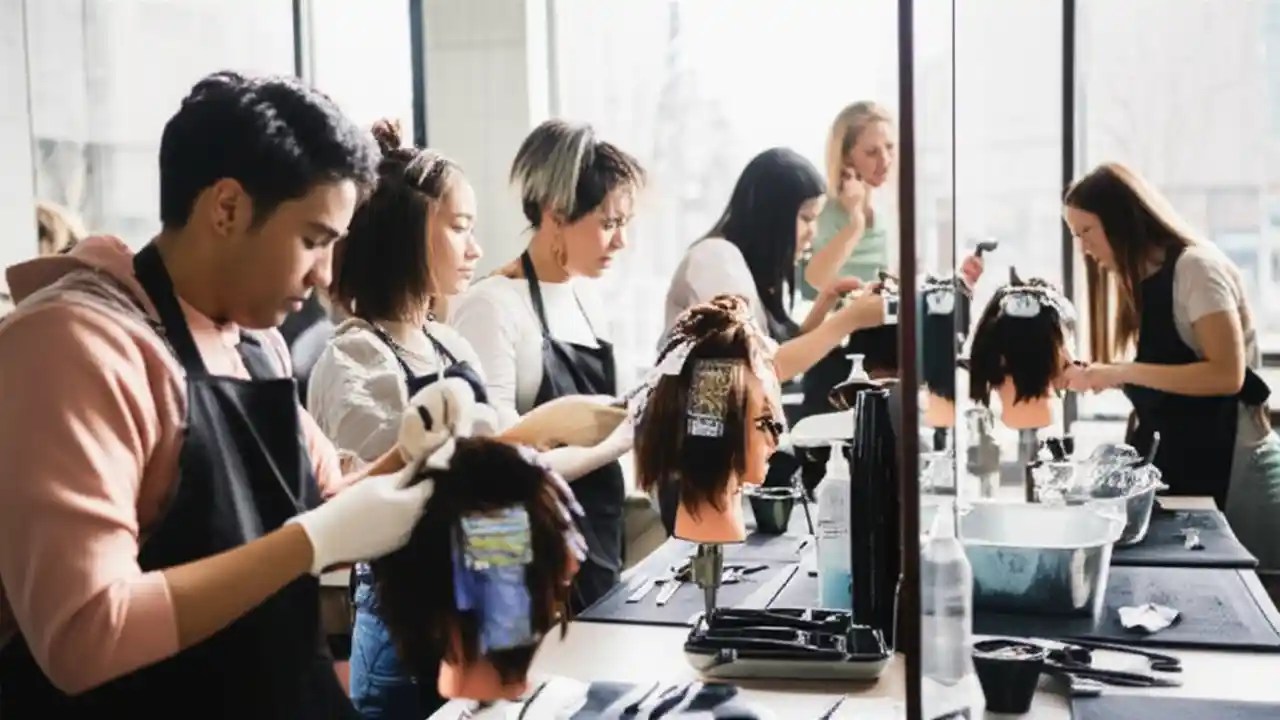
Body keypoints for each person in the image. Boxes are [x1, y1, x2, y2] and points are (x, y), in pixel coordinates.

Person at [0, 71, 440, 718]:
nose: (324, 275)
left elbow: (332, 506)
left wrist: (430, 453)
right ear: (226, 208)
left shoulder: (255, 342)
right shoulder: (74, 346)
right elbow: (86, 633)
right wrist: (308, 543)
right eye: (313, 241)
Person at [307, 120, 491, 719]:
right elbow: (396, 494)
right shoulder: (355, 357)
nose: (475, 249)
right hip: (403, 627)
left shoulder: (448, 344)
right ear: (408, 236)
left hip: (479, 606)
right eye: (460, 228)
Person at [452, 118, 645, 612]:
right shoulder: (493, 307)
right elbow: (494, 467)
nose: (620, 241)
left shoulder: (588, 300)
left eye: (624, 224)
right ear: (555, 215)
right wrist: (616, 442)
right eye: (608, 224)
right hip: (526, 568)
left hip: (596, 548)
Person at [1063, 162, 1280, 575]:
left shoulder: (1196, 269)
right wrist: (1101, 374)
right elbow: (1168, 375)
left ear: (1121, 220)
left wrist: (1121, 372)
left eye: (1086, 231)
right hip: (1193, 464)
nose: (1083, 247)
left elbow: (1226, 375)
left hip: (1238, 470)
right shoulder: (1148, 282)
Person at [662, 147, 888, 388]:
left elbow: (774, 358)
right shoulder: (715, 260)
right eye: (806, 218)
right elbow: (759, 369)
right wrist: (850, 320)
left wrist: (824, 304)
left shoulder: (741, 267)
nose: (812, 233)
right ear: (770, 216)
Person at [800, 101, 896, 296]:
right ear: (846, 157)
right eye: (872, 152)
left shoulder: (886, 210)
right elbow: (815, 280)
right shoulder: (821, 212)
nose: (885, 160)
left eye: (889, 147)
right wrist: (855, 224)